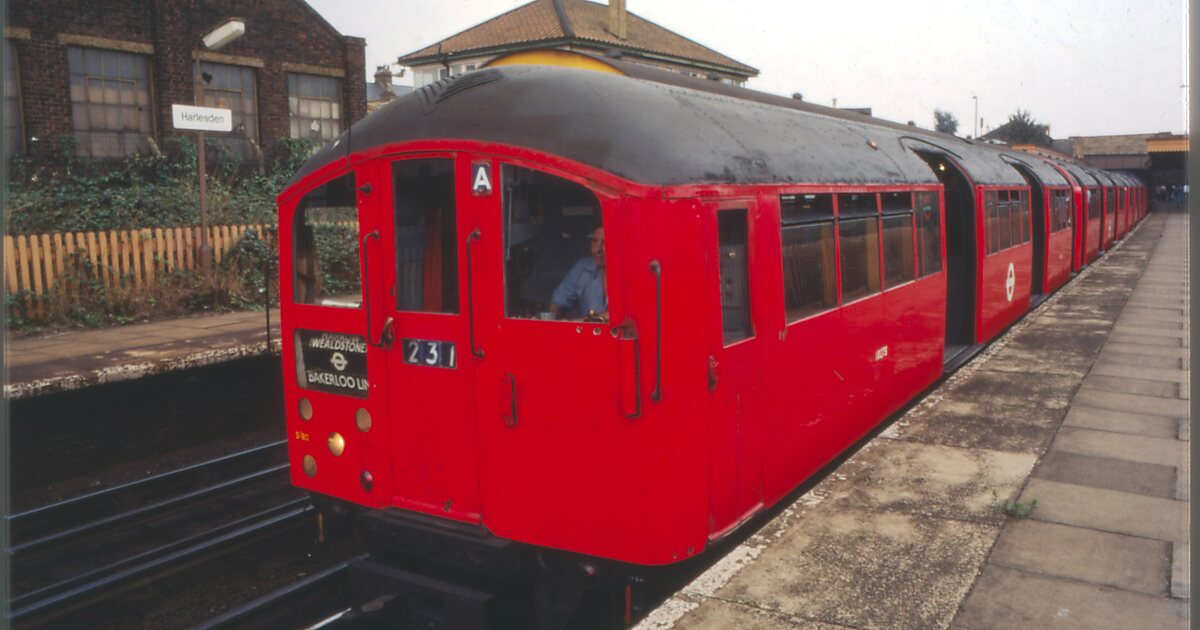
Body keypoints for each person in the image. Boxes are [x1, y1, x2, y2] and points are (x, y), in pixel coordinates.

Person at [549, 225, 607, 321]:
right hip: (586, 335)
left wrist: (583, 322)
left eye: (605, 243)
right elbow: (556, 306)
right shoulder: (582, 267)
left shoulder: (633, 272)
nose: (598, 250)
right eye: (595, 241)